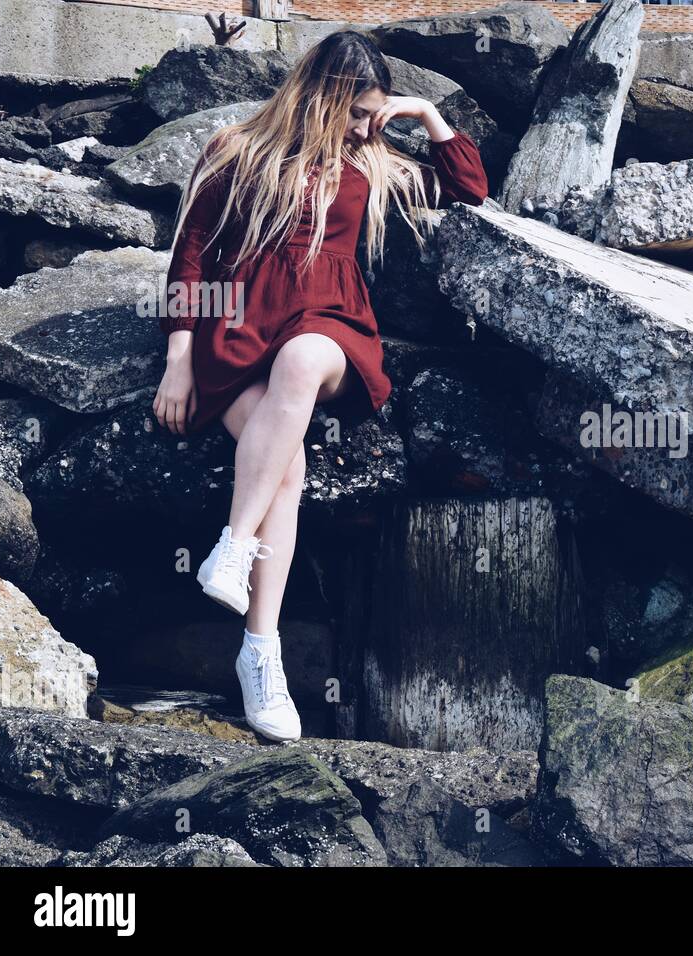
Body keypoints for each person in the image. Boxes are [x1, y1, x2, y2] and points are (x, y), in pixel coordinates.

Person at [152, 30, 489, 741]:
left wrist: (427, 117)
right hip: (238, 336)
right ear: (318, 95)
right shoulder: (235, 149)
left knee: (302, 364)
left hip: (330, 329)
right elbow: (190, 259)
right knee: (290, 464)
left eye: (375, 113)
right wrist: (180, 357)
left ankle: (234, 546)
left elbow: (468, 188)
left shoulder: (371, 161)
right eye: (357, 111)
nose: (368, 125)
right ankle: (260, 654)